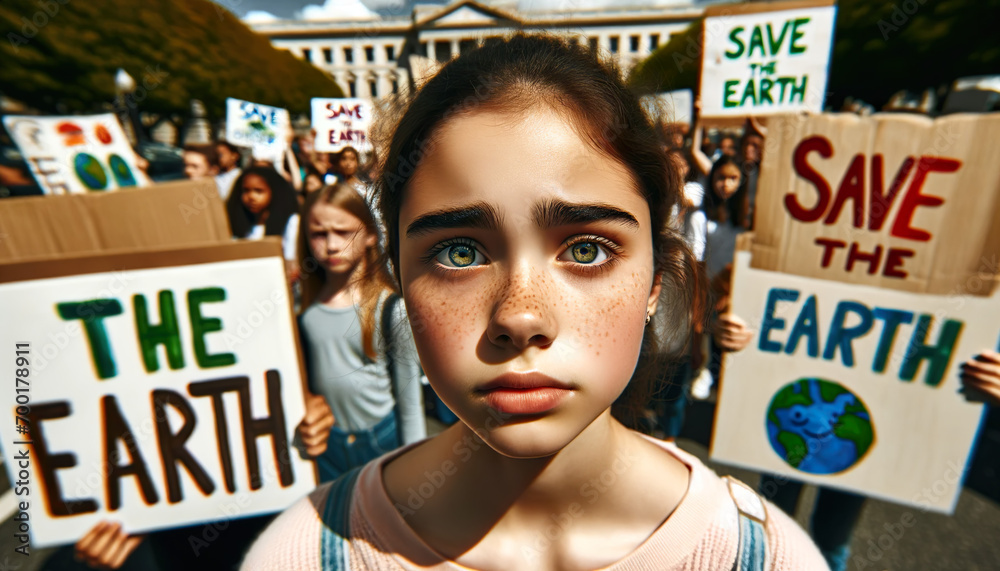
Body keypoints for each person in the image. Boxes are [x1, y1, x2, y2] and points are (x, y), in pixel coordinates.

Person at [241, 34, 826, 571]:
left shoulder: (770, 557)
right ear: (398, 279)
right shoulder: (297, 556)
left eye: (589, 249)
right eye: (460, 253)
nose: (520, 317)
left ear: (654, 282)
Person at [297, 183, 425, 483]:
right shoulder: (304, 312)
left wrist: (416, 470)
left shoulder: (392, 309)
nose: (331, 244)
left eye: (343, 232)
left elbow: (410, 403)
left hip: (380, 441)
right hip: (328, 445)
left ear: (369, 235)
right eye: (319, 233)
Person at [226, 165, 301, 275]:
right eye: (246, 191)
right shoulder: (238, 223)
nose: (251, 197)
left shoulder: (290, 222)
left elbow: (292, 263)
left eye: (259, 191)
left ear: (274, 192)